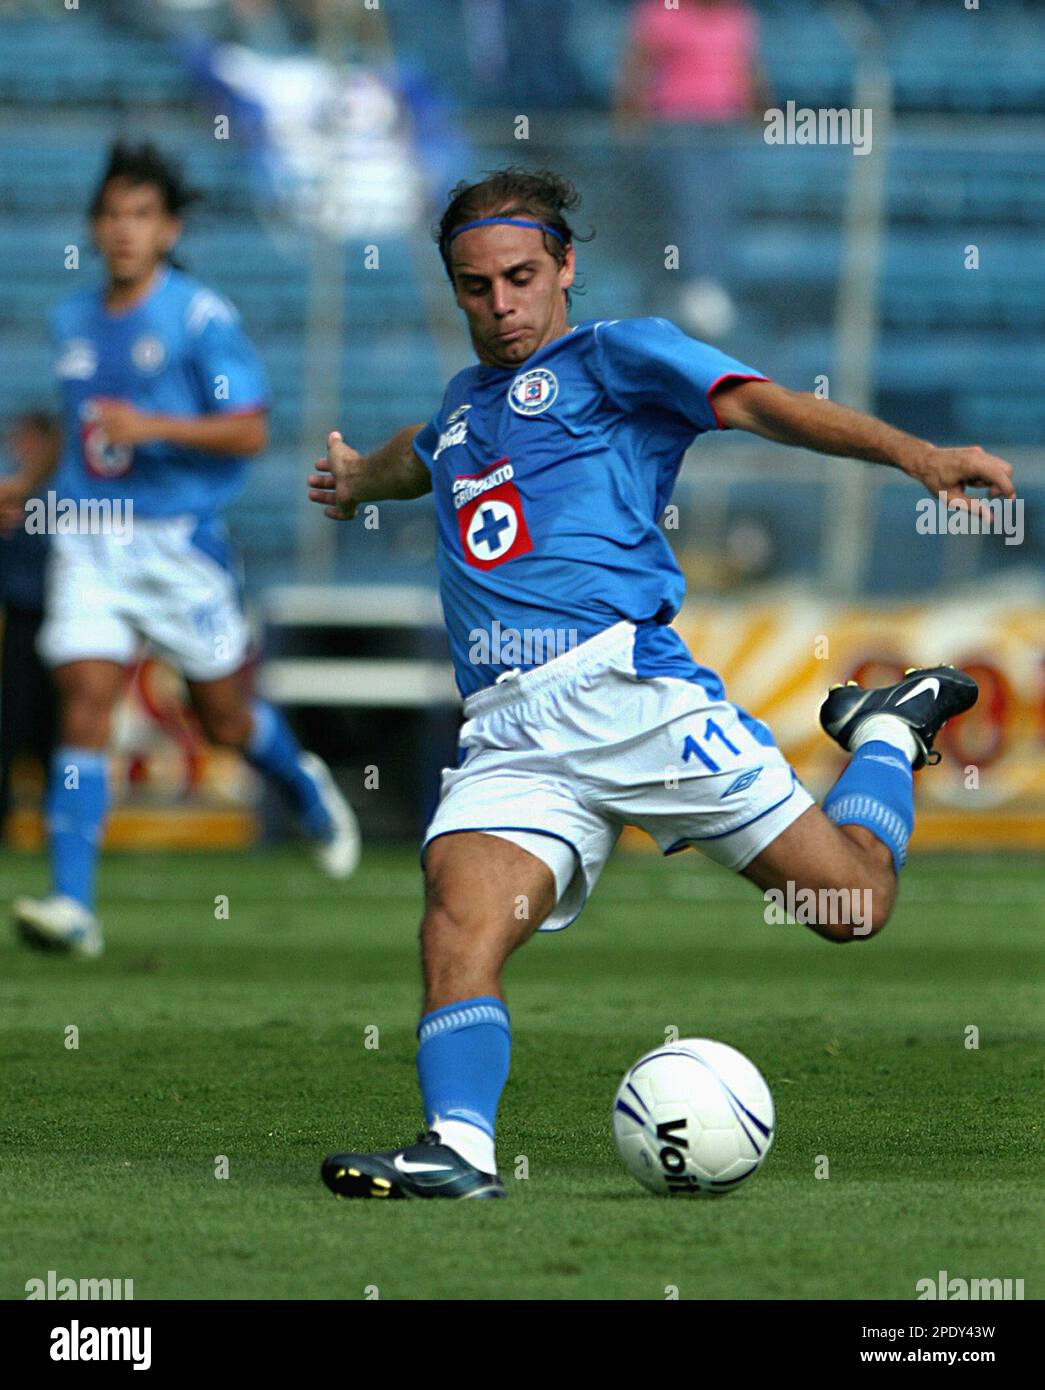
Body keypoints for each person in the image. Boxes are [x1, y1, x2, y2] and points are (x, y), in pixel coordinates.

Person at [306, 168, 1015, 1199]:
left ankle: (884, 735)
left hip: (630, 696)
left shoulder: (615, 354)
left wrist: (916, 456)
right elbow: (416, 458)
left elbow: (764, 405)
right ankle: (458, 1149)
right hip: (509, 734)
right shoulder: (463, 407)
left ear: (564, 268)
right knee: (458, 913)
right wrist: (353, 478)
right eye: (474, 287)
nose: (499, 306)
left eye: (518, 278)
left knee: (850, 903)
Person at [11, 141, 360, 960]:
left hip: (179, 546)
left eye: (141, 214)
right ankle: (73, 904)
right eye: (112, 214)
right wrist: (27, 480)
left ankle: (301, 780)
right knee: (84, 699)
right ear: (95, 227)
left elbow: (249, 429)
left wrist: (155, 427)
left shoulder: (200, 315)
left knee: (224, 717)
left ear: (167, 229)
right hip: (90, 537)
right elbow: (77, 431)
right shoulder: (72, 319)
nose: (125, 230)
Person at [0, 412, 60, 837]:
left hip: (65, 621)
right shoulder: (11, 497)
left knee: (60, 730)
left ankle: (64, 825)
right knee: (12, 724)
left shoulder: (67, 497)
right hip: (21, 623)